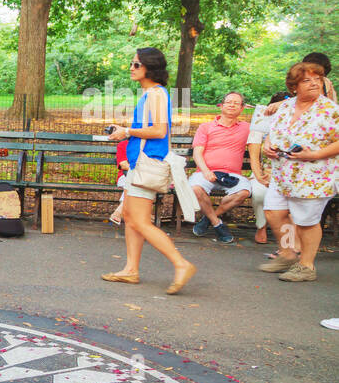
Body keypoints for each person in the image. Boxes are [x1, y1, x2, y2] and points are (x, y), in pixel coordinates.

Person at [101, 48, 196, 294]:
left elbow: (159, 131)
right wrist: (124, 130)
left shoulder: (156, 94)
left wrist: (128, 131)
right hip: (138, 164)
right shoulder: (149, 94)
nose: (131, 68)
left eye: (136, 64)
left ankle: (181, 263)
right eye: (132, 64)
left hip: (147, 163)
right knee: (131, 219)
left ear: (149, 68)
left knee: (140, 221)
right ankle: (131, 270)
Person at [259, 61, 339, 282]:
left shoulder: (330, 110)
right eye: (307, 80)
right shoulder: (285, 106)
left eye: (318, 79)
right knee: (273, 212)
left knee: (306, 222)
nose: (314, 83)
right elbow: (272, 133)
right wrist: (268, 146)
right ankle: (287, 254)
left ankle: (306, 266)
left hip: (313, 176)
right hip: (283, 173)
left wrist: (313, 154)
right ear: (294, 86)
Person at [189, 92, 251, 243]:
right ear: (221, 106)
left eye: (236, 103)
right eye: (229, 102)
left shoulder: (247, 128)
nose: (231, 105)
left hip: (232, 174)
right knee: (196, 188)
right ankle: (217, 224)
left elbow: (271, 128)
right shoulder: (206, 127)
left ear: (242, 108)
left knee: (244, 192)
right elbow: (197, 153)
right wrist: (206, 171)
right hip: (206, 171)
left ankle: (208, 219)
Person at [247, 91, 289, 245]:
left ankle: (287, 241)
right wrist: (259, 176)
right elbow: (254, 154)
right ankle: (261, 226)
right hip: (264, 173)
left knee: (289, 197)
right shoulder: (261, 125)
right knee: (259, 193)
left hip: (288, 175)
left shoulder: (295, 126)